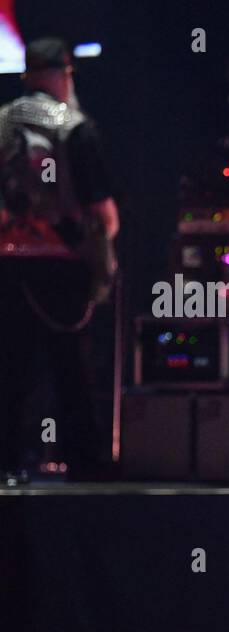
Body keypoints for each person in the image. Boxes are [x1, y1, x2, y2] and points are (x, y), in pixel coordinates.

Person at [0, 37, 117, 481]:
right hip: (61, 263)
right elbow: (99, 207)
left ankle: (7, 461)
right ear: (62, 73)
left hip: (8, 263)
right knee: (70, 367)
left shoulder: (1, 123)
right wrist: (104, 263)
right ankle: (83, 464)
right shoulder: (73, 126)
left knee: (10, 370)